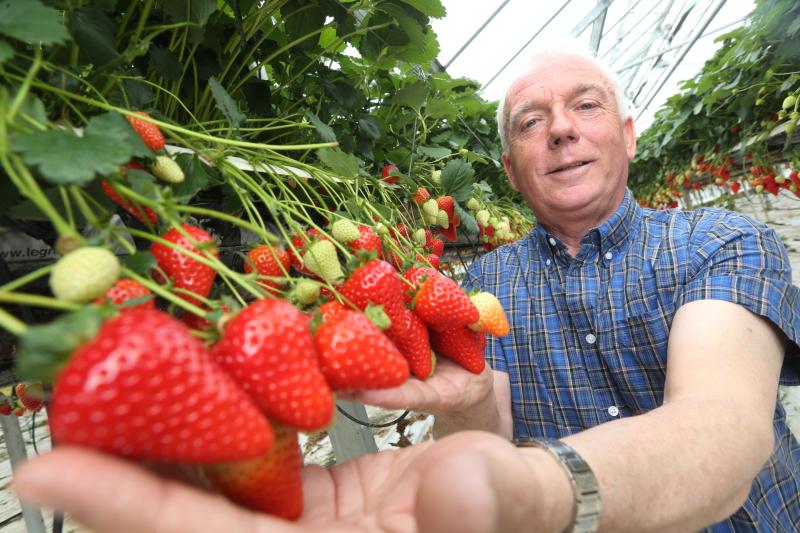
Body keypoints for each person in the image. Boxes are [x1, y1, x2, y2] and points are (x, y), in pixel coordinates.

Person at [13, 45, 800, 532]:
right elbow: (477, 431)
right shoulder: (484, 280)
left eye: (585, 106)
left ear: (627, 135)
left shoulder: (724, 239)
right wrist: (460, 406)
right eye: (531, 121)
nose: (560, 129)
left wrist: (536, 489)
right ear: (510, 164)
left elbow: (724, 426)